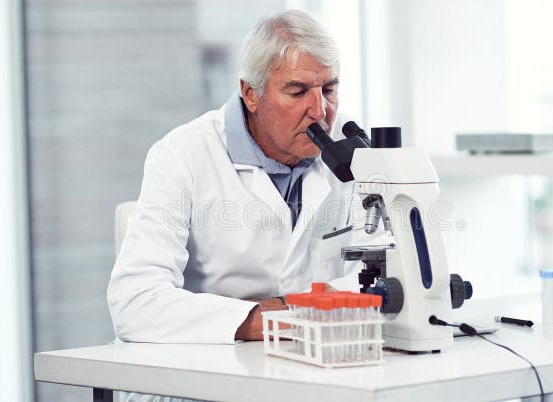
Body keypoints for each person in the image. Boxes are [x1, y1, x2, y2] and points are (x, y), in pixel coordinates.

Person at [107, 9, 380, 344]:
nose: (320, 111)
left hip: (318, 361)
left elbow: (386, 276)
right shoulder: (181, 154)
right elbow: (136, 304)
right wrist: (281, 318)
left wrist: (300, 313)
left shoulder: (351, 148)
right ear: (251, 94)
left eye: (329, 89)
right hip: (209, 370)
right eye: (297, 92)